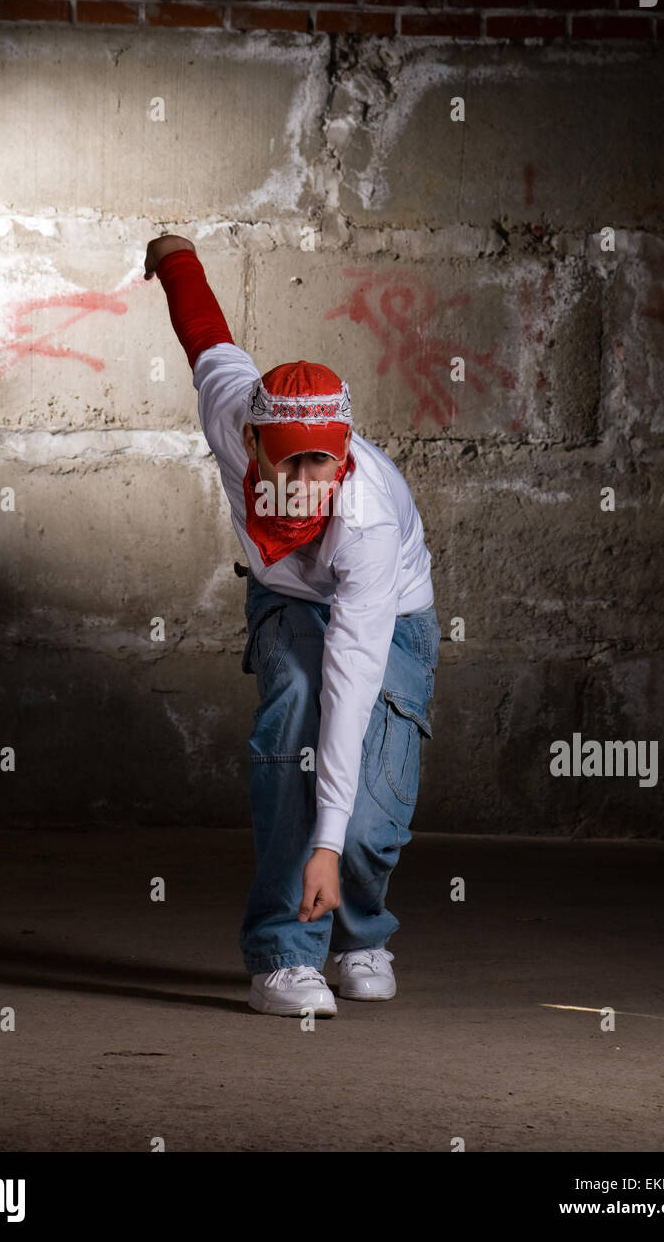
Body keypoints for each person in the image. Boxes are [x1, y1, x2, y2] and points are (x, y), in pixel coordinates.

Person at [144, 233, 441, 1017]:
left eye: (323, 462)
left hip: (386, 615)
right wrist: (173, 256)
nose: (308, 485)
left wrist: (332, 842)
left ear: (343, 452)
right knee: (294, 712)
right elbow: (205, 335)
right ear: (251, 442)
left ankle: (360, 931)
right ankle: (284, 951)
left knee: (370, 817)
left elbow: (353, 674)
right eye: (290, 465)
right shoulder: (231, 410)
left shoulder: (367, 518)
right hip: (284, 597)